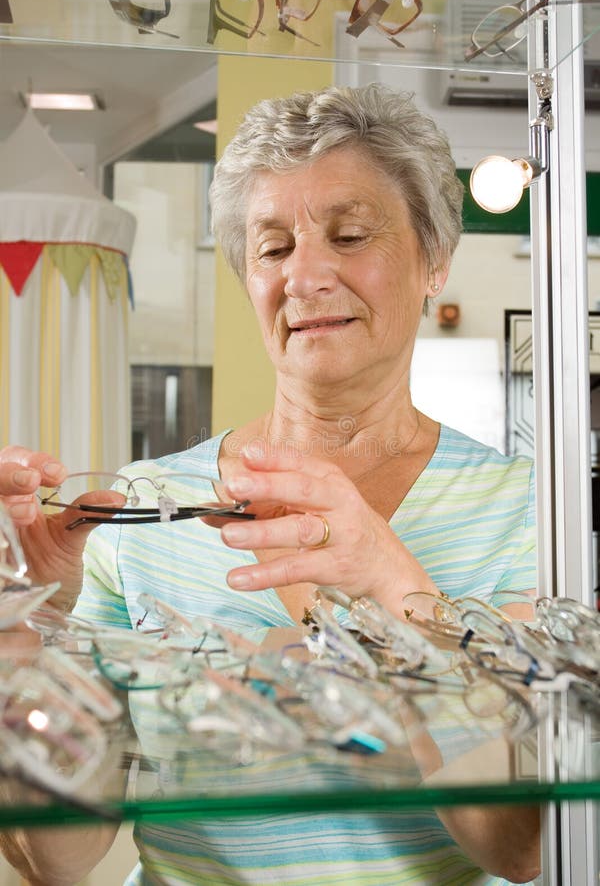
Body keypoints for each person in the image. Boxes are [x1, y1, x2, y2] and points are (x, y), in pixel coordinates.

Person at [0, 83, 540, 885]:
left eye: (350, 235)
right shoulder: (143, 508)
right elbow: (60, 855)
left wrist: (388, 581)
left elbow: (519, 846)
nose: (306, 275)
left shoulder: (525, 509)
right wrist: (24, 639)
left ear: (435, 260)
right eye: (273, 247)